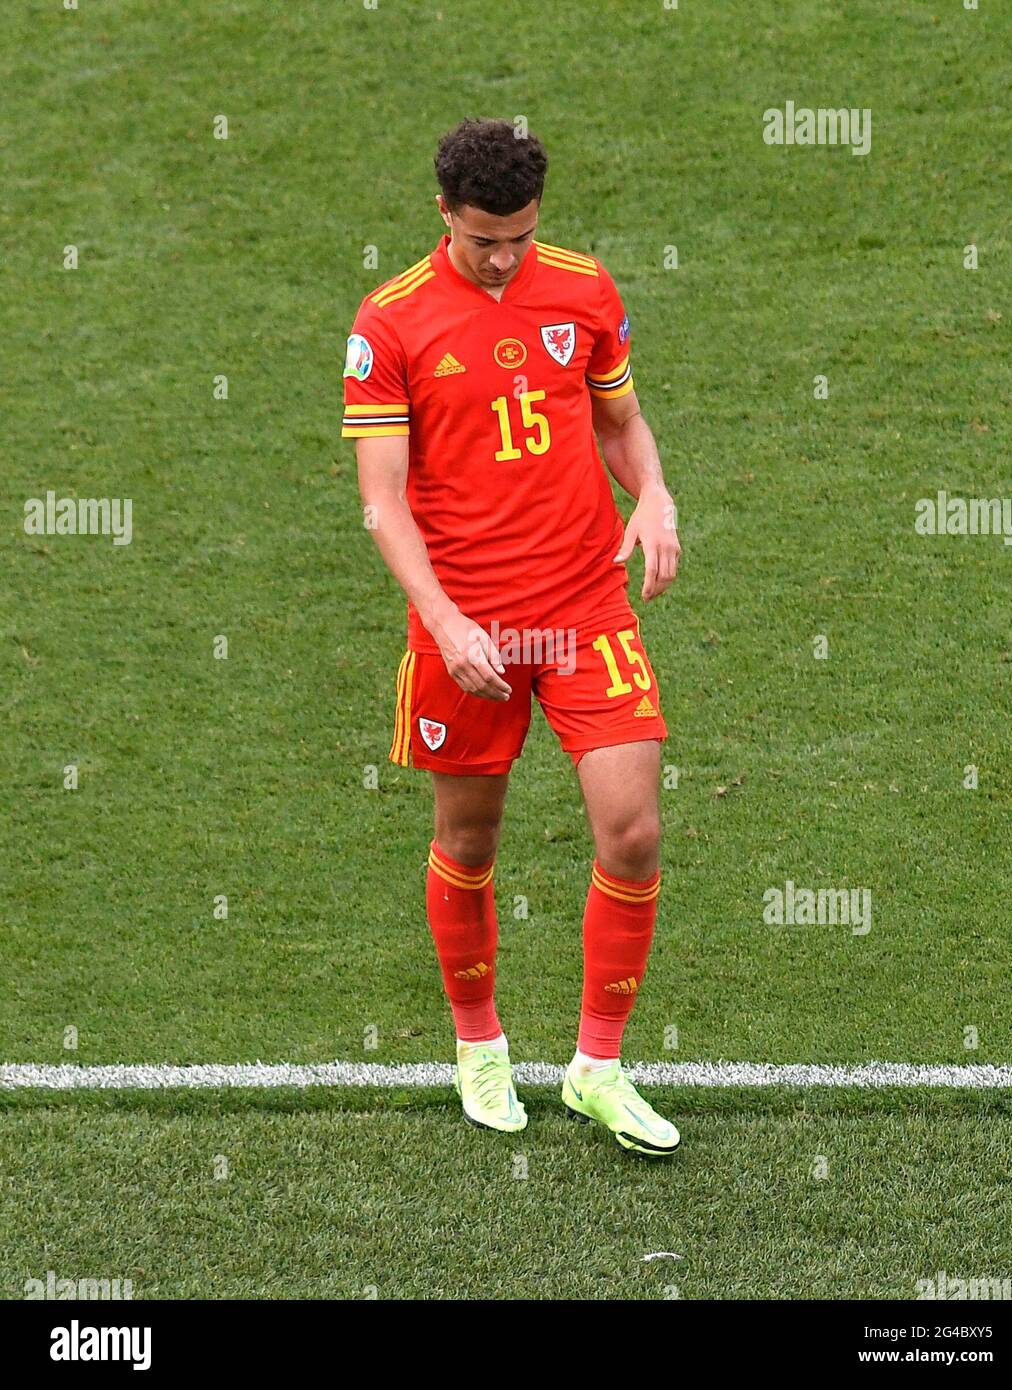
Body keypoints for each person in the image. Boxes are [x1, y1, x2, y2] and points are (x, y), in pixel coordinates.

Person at [342, 118, 681, 1156]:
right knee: (470, 841)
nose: (504, 258)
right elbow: (381, 503)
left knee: (630, 831)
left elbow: (617, 422)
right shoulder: (390, 322)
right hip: (470, 626)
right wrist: (443, 624)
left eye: (520, 238)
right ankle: (479, 1044)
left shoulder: (580, 287)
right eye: (485, 238)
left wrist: (656, 495)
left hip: (583, 605)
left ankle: (596, 1065)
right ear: (443, 212)